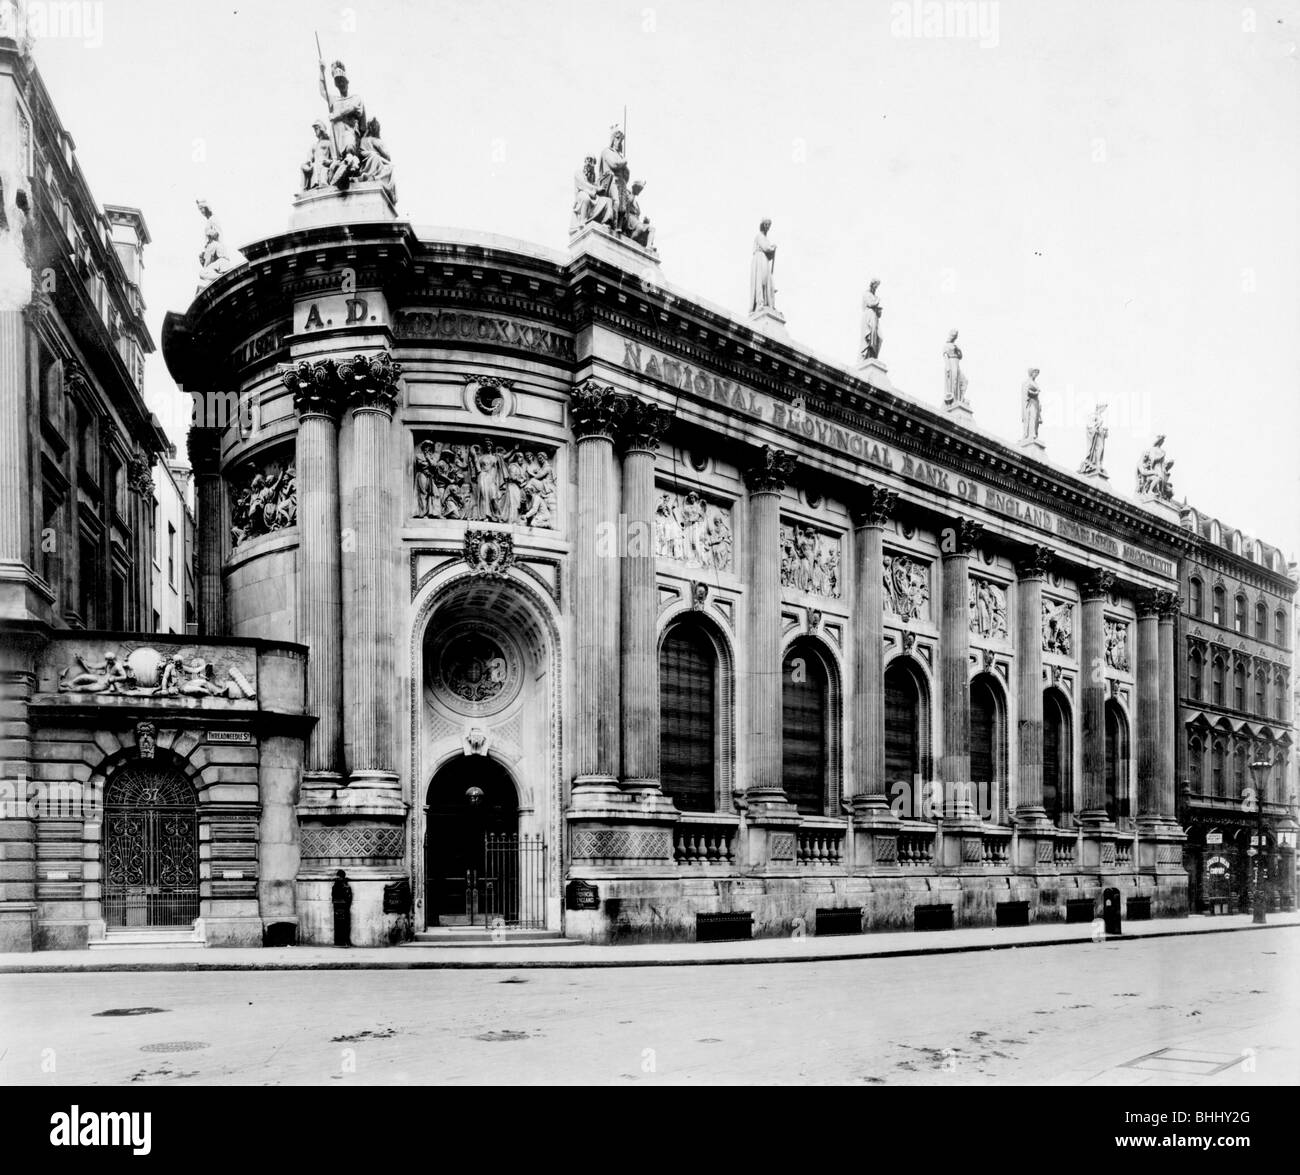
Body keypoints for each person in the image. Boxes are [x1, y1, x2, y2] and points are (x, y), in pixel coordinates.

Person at [750, 219, 777, 312]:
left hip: (764, 259)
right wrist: (772, 248)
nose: (767, 227)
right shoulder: (759, 236)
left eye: (769, 225)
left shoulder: (765, 238)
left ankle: (768, 303)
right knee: (761, 280)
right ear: (762, 225)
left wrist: (771, 251)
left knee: (767, 281)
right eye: (766, 224)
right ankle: (760, 303)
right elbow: (766, 248)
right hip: (759, 258)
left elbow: (768, 253)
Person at [300, 121, 333, 191]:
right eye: (314, 129)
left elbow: (334, 157)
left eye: (316, 128)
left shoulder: (329, 143)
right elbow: (309, 157)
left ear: (321, 129)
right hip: (315, 164)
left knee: (318, 166)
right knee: (304, 166)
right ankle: (304, 189)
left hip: (324, 164)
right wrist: (308, 162)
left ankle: (318, 184)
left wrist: (329, 162)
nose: (315, 131)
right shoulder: (314, 145)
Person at [943, 330, 968, 407]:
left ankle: (960, 398)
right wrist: (947, 367)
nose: (954, 337)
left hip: (957, 363)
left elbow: (960, 357)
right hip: (951, 362)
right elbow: (945, 356)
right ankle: (953, 398)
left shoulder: (955, 346)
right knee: (953, 380)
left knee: (964, 381)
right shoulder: (946, 345)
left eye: (955, 336)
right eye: (954, 335)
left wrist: (959, 350)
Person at [860, 279, 883, 360]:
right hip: (869, 316)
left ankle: (873, 355)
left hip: (874, 316)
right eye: (875, 286)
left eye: (877, 287)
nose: (876, 288)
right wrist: (878, 300)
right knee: (869, 337)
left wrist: (879, 310)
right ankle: (867, 356)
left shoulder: (874, 296)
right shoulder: (867, 294)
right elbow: (871, 303)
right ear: (872, 285)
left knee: (879, 338)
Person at [332, 870, 352, 947]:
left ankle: (344, 941)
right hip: (339, 907)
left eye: (339, 877)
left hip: (342, 907)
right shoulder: (337, 886)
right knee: (341, 925)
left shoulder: (345, 886)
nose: (337, 878)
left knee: (344, 926)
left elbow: (348, 898)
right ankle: (341, 941)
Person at [1021, 368, 1042, 442]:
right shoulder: (1027, 382)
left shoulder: (1035, 383)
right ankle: (1030, 434)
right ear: (1031, 373)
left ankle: (1034, 434)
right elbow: (1026, 392)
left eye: (1037, 373)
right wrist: (1035, 393)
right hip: (1030, 402)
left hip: (1036, 403)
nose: (1036, 375)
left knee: (1035, 418)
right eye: (1035, 373)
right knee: (1031, 417)